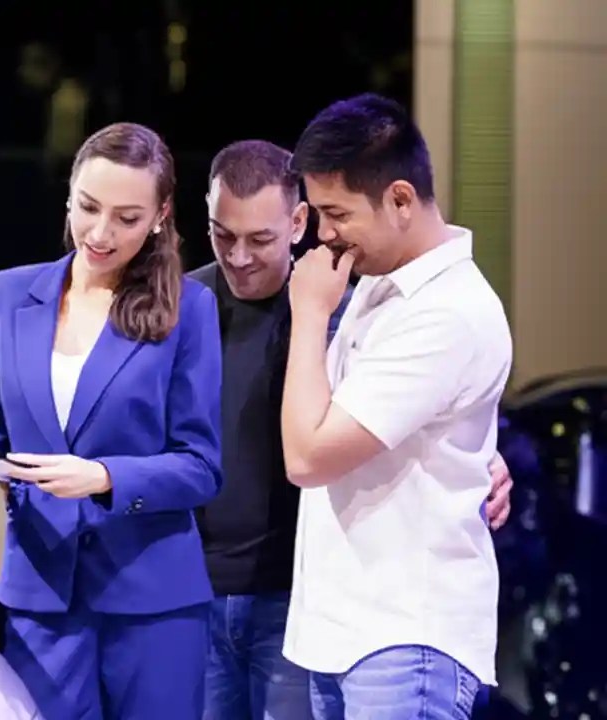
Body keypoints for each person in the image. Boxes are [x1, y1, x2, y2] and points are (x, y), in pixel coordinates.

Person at [190, 139, 514, 720]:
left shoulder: (344, 303)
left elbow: (327, 447)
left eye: (260, 238)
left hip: (315, 605)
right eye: (222, 235)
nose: (238, 256)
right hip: (241, 601)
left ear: (295, 224)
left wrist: (482, 459)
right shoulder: (184, 306)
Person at [0, 122, 223, 719]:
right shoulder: (11, 294)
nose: (100, 233)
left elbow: (201, 467)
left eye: (127, 218)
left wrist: (103, 476)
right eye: (88, 207)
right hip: (43, 596)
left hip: (152, 602)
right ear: (69, 195)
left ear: (161, 215)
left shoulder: (190, 308)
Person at [279, 93, 512, 718]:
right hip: (351, 631)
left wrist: (309, 315)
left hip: (407, 640)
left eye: (337, 214)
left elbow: (306, 456)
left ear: (401, 200)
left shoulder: (447, 312)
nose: (325, 236)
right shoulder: (383, 286)